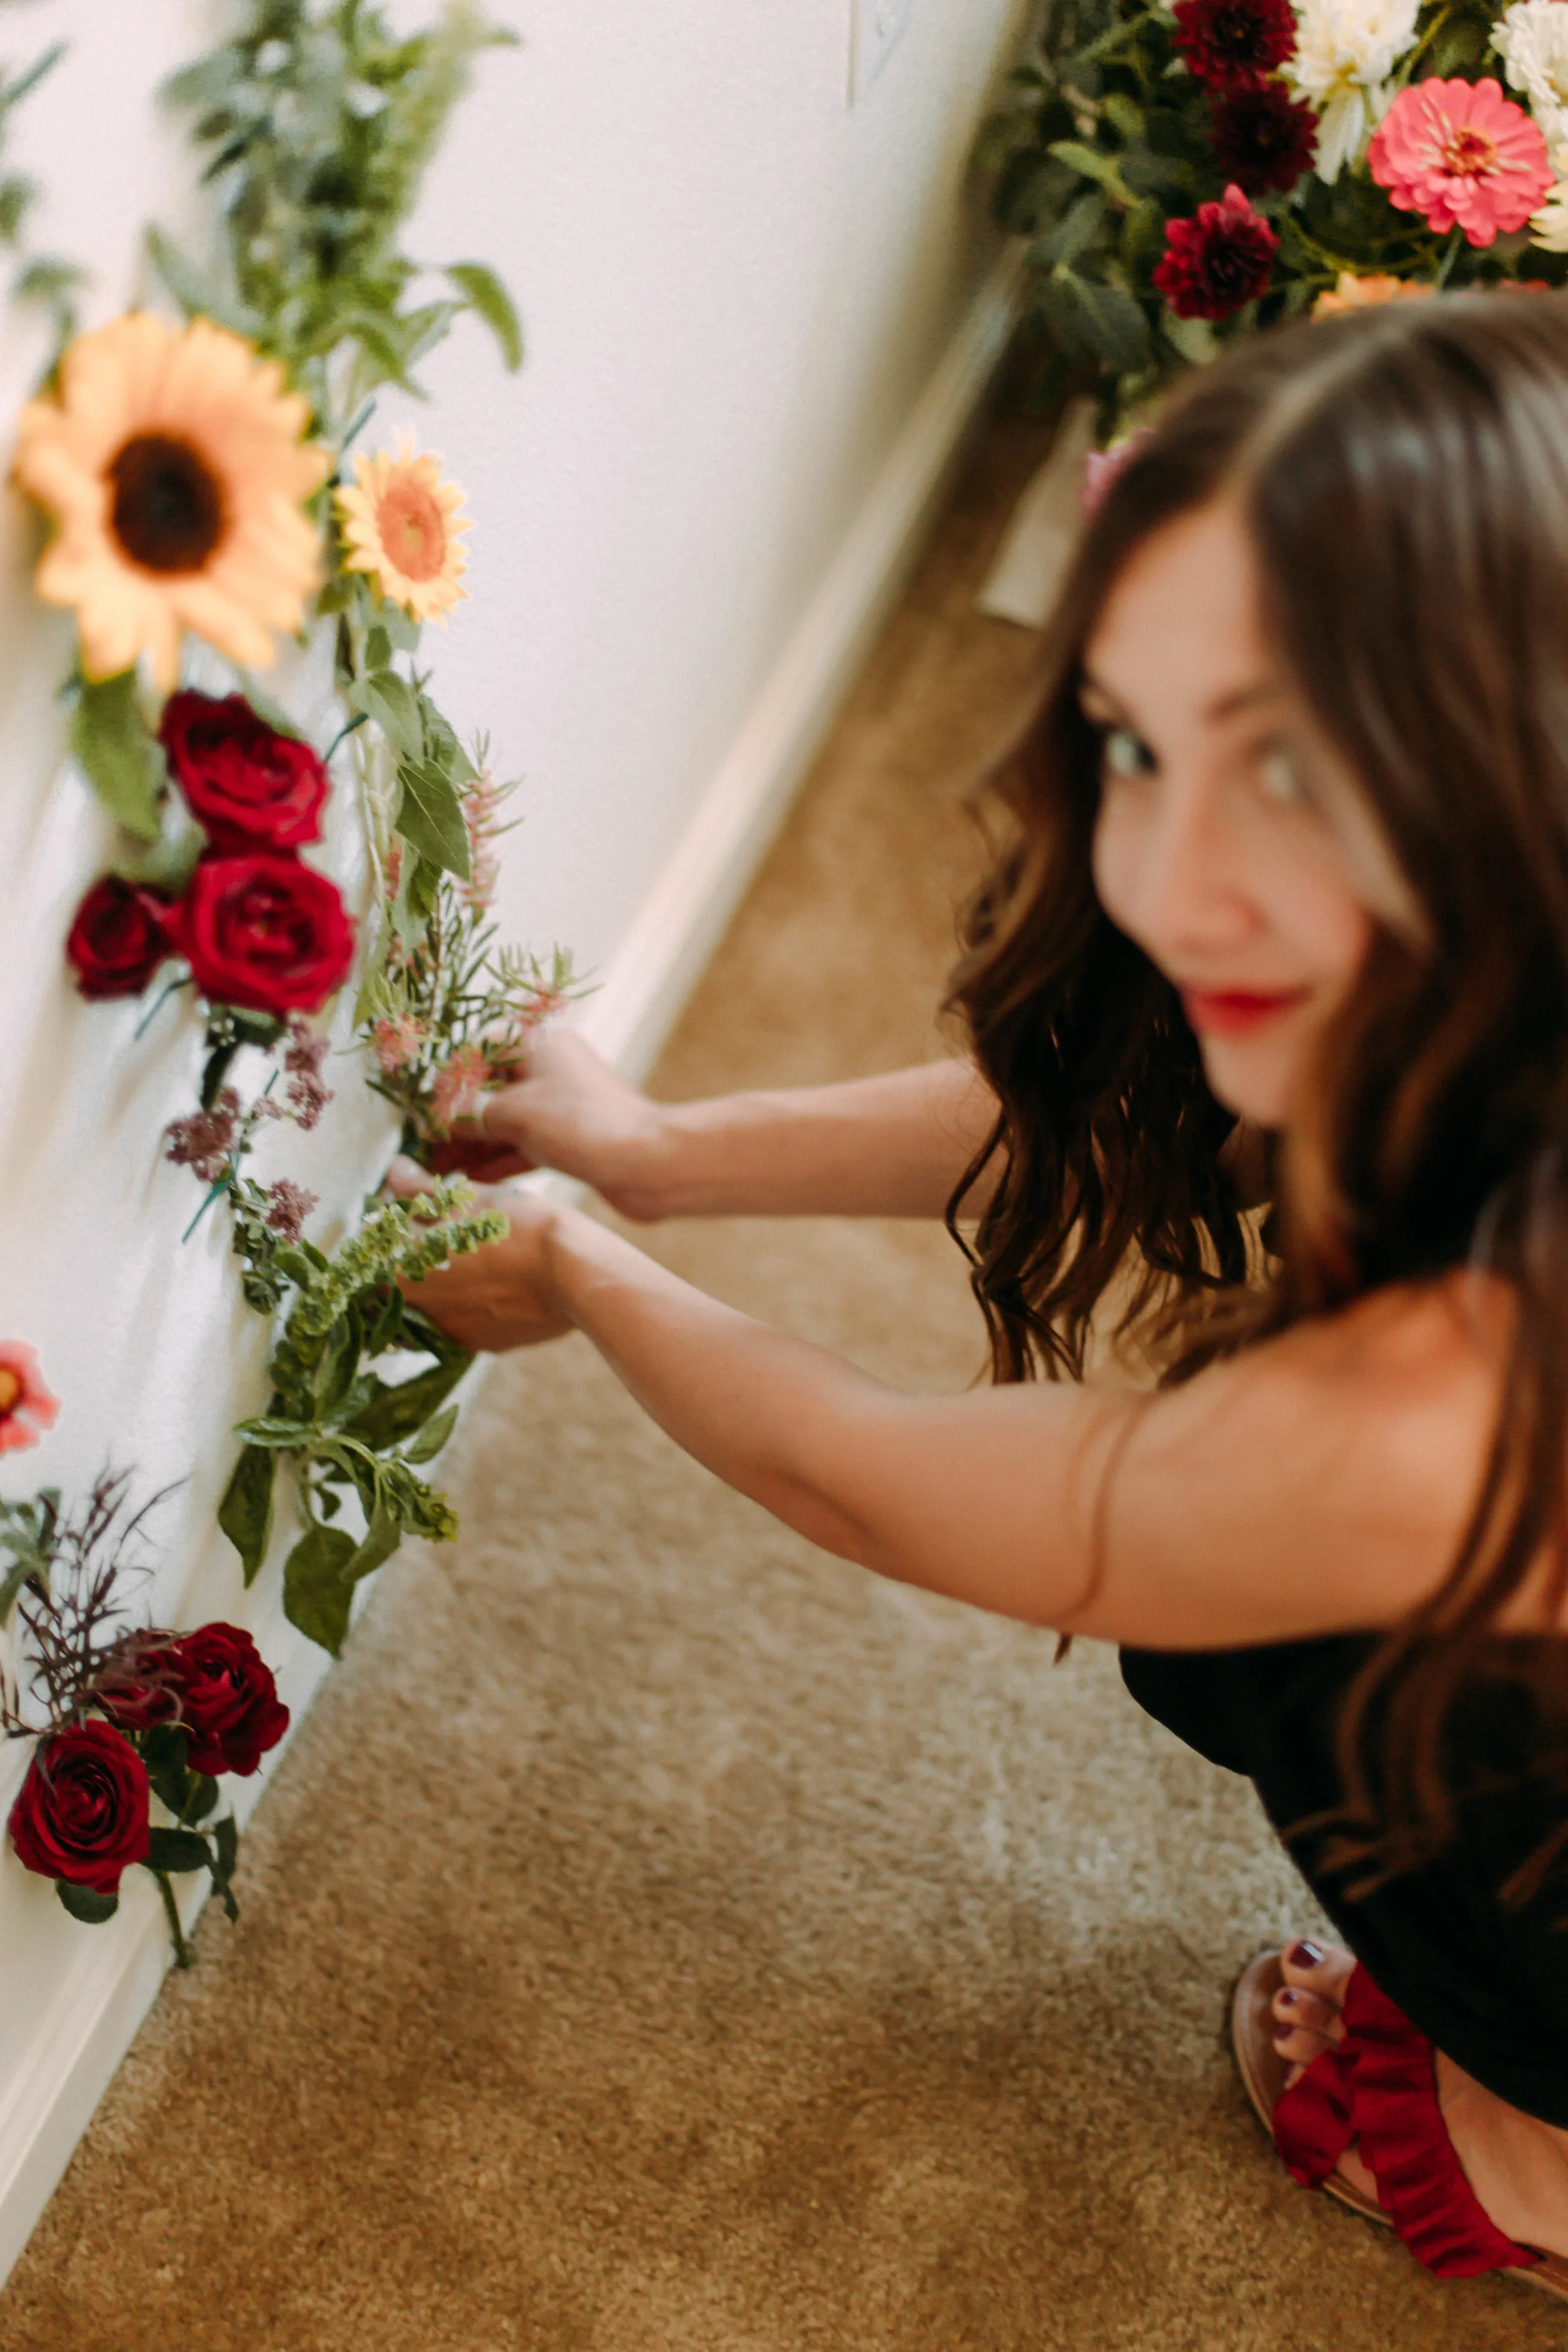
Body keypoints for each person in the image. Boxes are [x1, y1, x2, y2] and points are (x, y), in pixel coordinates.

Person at [396, 295, 1568, 2298]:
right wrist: (660, 1149)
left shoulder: (1457, 1405)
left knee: (1290, 1644)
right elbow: (1134, 1102)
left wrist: (591, 1275)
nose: (1166, 864)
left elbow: (891, 1482)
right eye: (1134, 739)